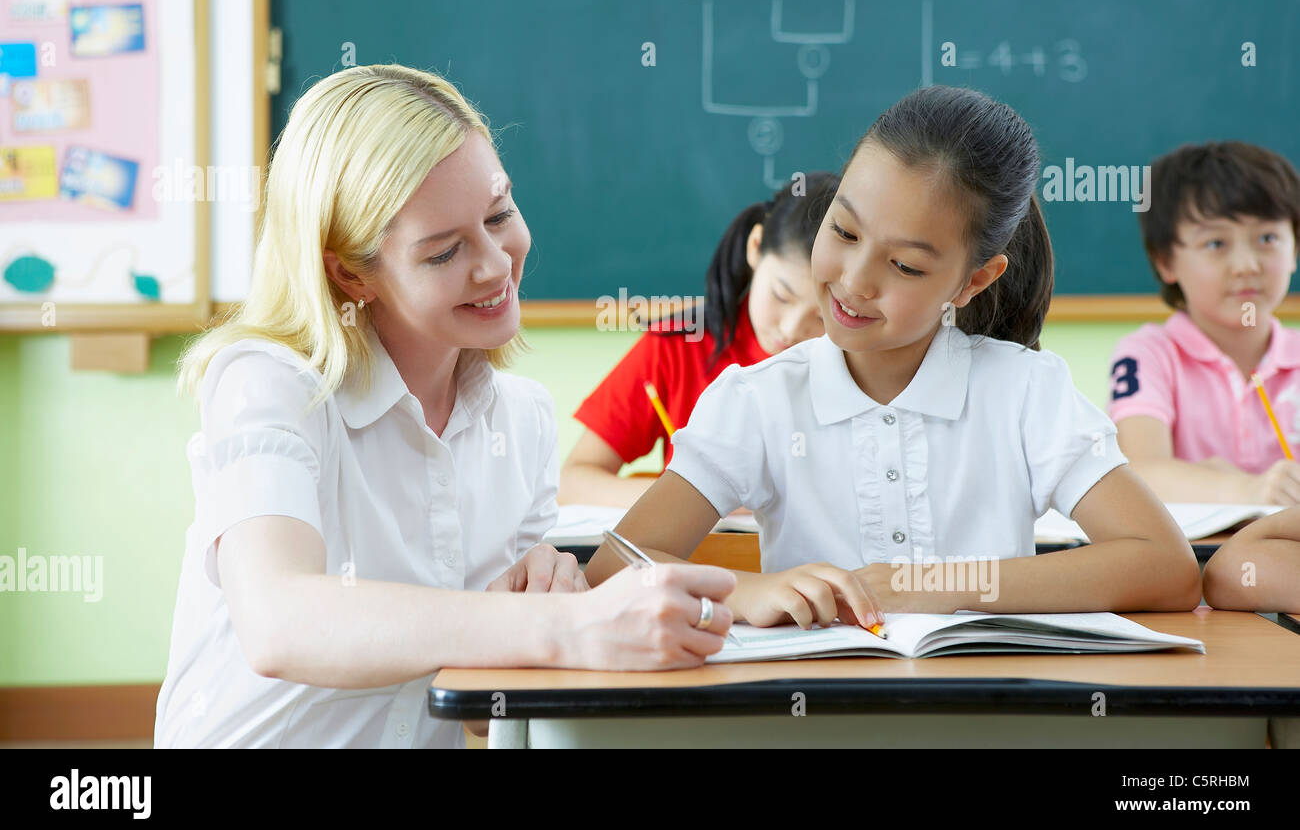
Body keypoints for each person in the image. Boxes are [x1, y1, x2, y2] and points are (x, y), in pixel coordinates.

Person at [154, 64, 733, 748]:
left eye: (500, 215)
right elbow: (279, 620)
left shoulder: (520, 418)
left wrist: (535, 602)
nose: (495, 265)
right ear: (349, 273)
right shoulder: (270, 383)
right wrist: (568, 626)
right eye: (445, 251)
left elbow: (482, 709)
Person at [585, 85, 1202, 625]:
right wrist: (747, 592)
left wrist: (933, 587)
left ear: (972, 282)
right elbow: (616, 566)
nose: (853, 281)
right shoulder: (757, 400)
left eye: (904, 265)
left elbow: (1168, 568)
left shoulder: (1023, 393)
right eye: (843, 232)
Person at [561, 173, 838, 507]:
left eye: (822, 317)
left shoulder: (863, 366)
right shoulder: (677, 345)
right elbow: (572, 482)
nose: (792, 329)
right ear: (755, 247)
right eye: (781, 295)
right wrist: (694, 502)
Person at [1108, 141, 1300, 503]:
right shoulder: (1147, 355)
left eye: (1267, 238)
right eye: (1216, 243)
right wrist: (1252, 489)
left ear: (1294, 249)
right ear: (1166, 261)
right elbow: (1138, 472)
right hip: (1195, 558)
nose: (1246, 265)